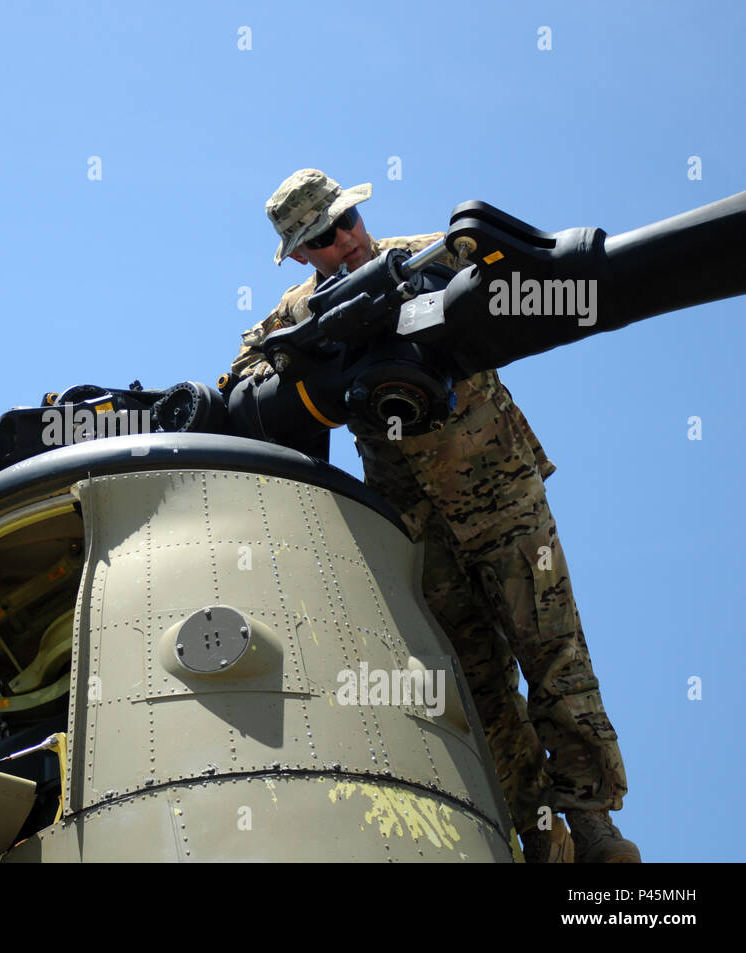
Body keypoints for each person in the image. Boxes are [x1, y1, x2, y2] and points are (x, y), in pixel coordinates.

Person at [233, 169, 639, 863]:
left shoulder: (429, 257)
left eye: (349, 220)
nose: (348, 238)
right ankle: (540, 833)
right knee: (475, 684)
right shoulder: (296, 315)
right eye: (326, 236)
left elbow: (521, 272)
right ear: (302, 254)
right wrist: (313, 357)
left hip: (502, 497)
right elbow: (241, 386)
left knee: (553, 652)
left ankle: (592, 820)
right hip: (420, 532)